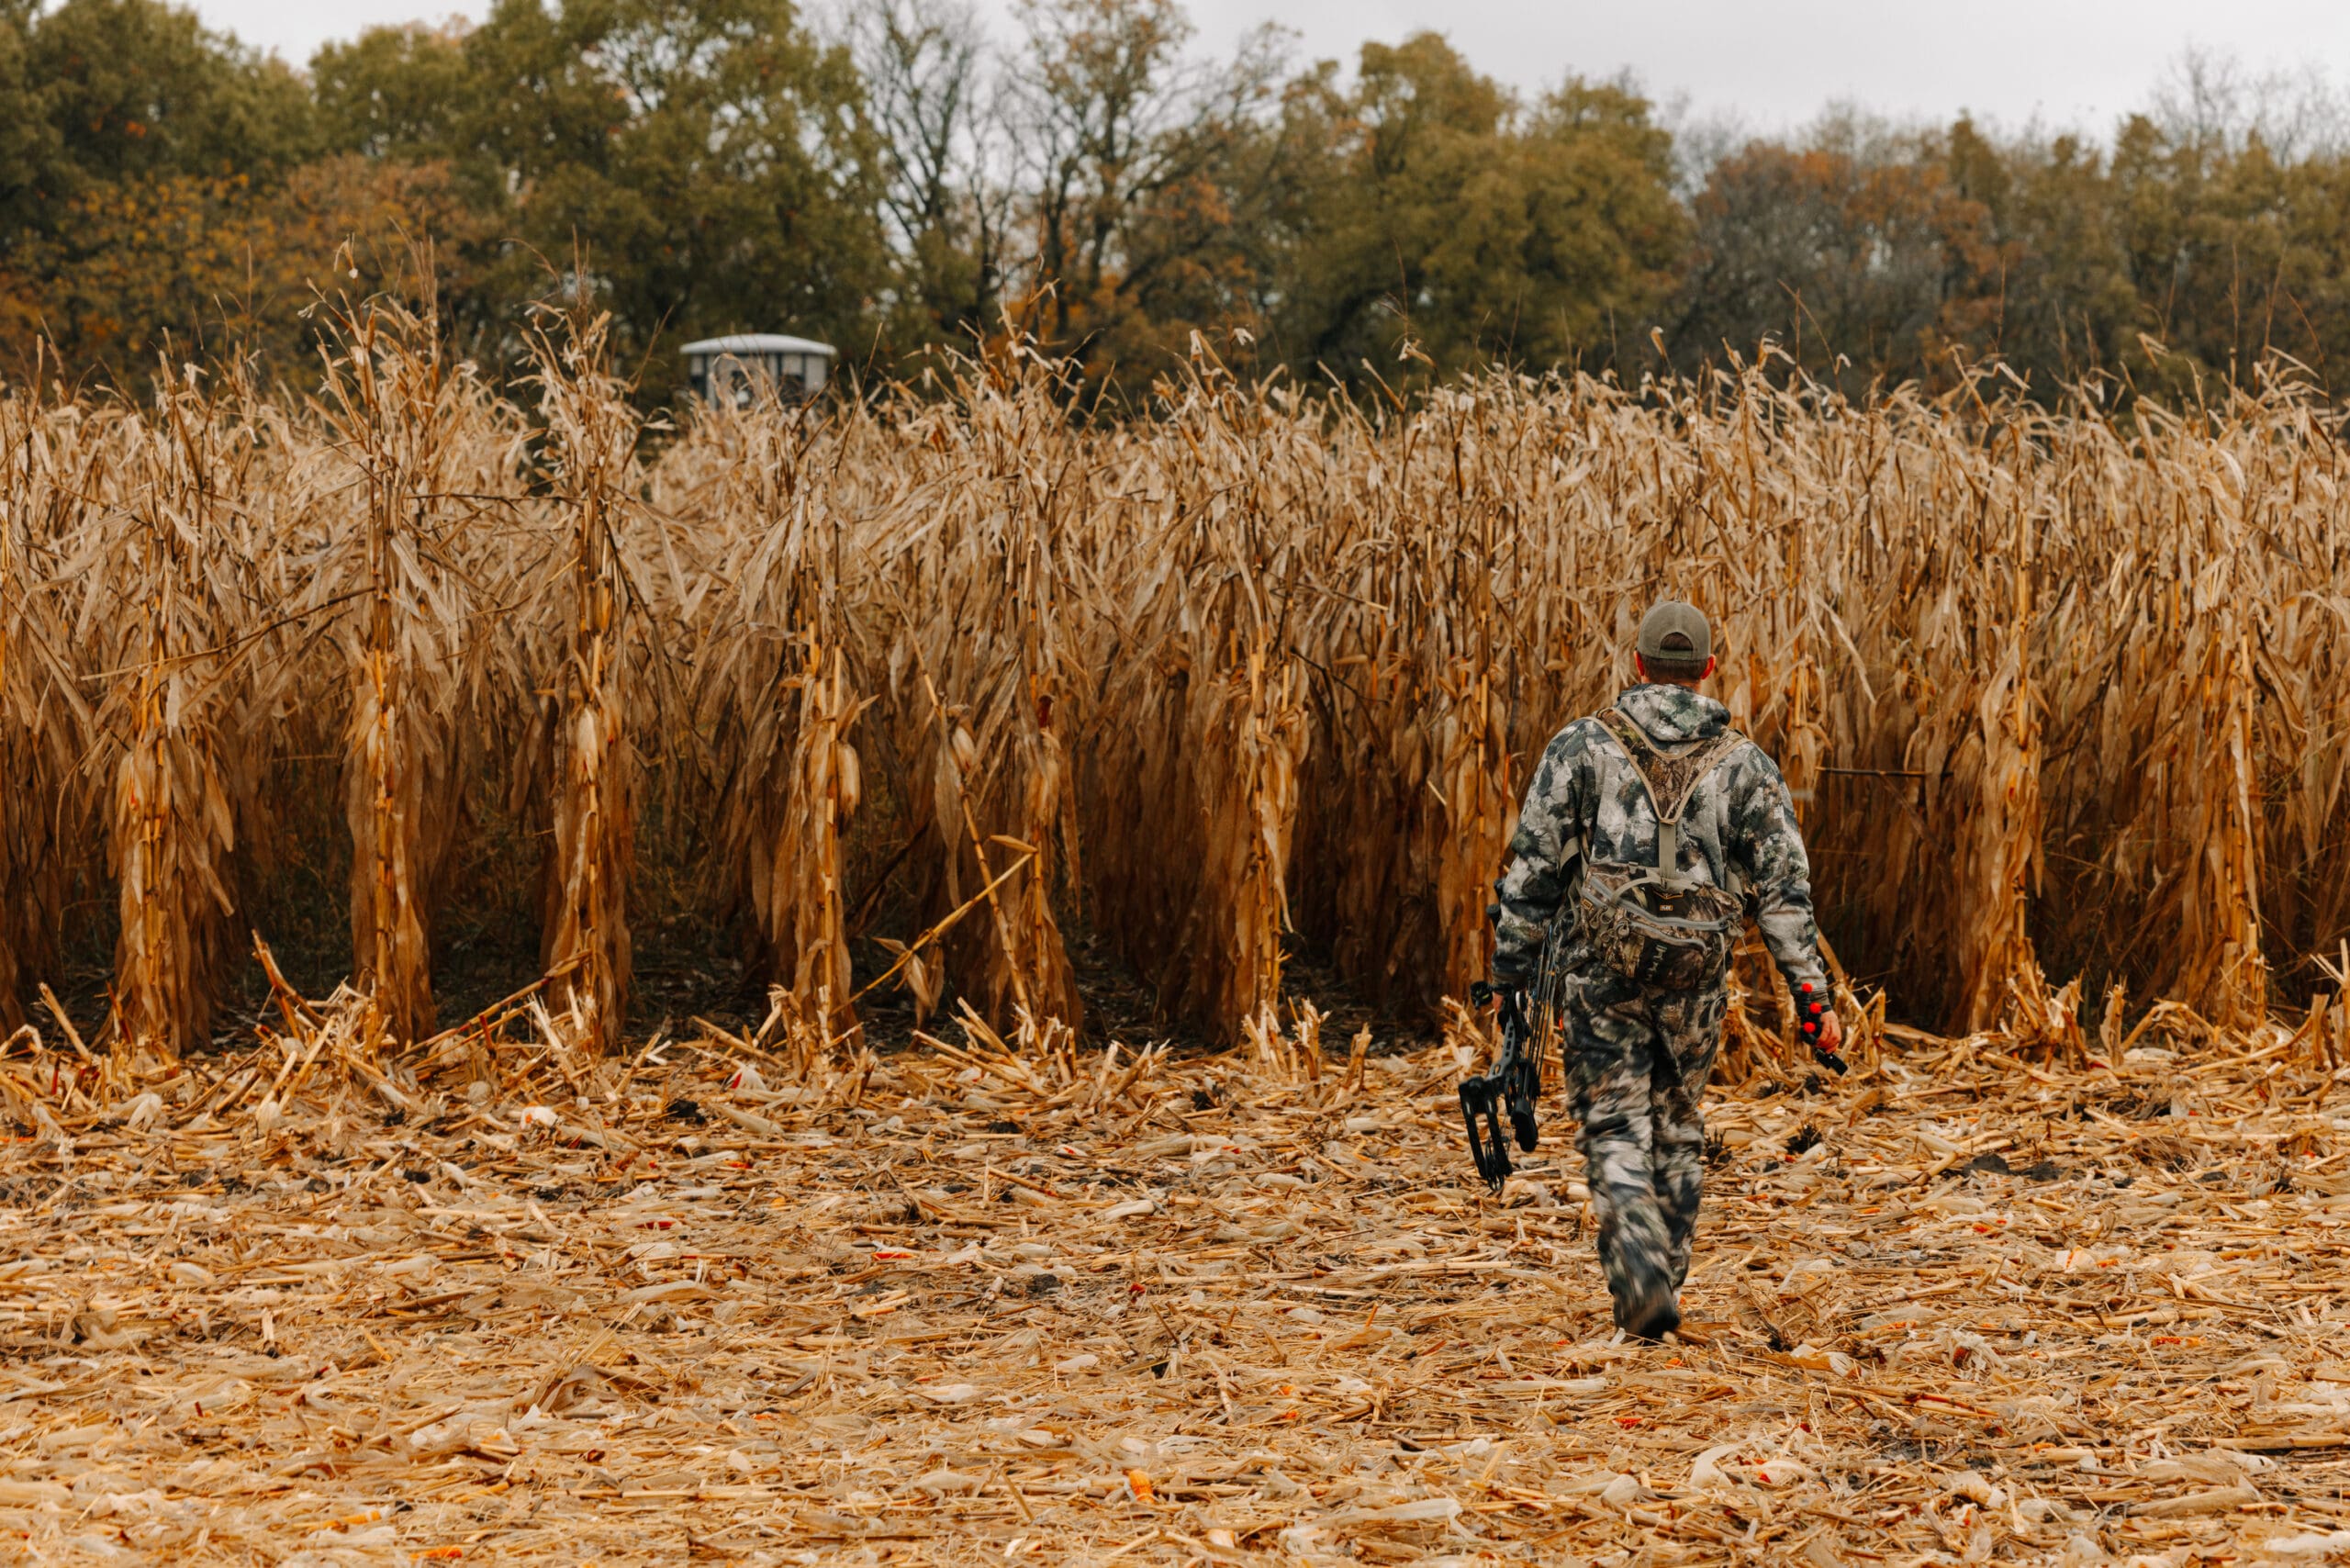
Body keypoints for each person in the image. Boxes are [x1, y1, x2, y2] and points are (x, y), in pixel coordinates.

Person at [1486, 600, 1841, 1340]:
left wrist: (1510, 974)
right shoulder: (1745, 763)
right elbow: (1784, 891)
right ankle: (1664, 1281)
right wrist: (1812, 995)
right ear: (1709, 670)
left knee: (1615, 1123)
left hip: (1598, 973)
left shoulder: (1582, 746)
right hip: (1697, 982)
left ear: (1638, 665)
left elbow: (1533, 873)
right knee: (1678, 1124)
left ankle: (1641, 1273)